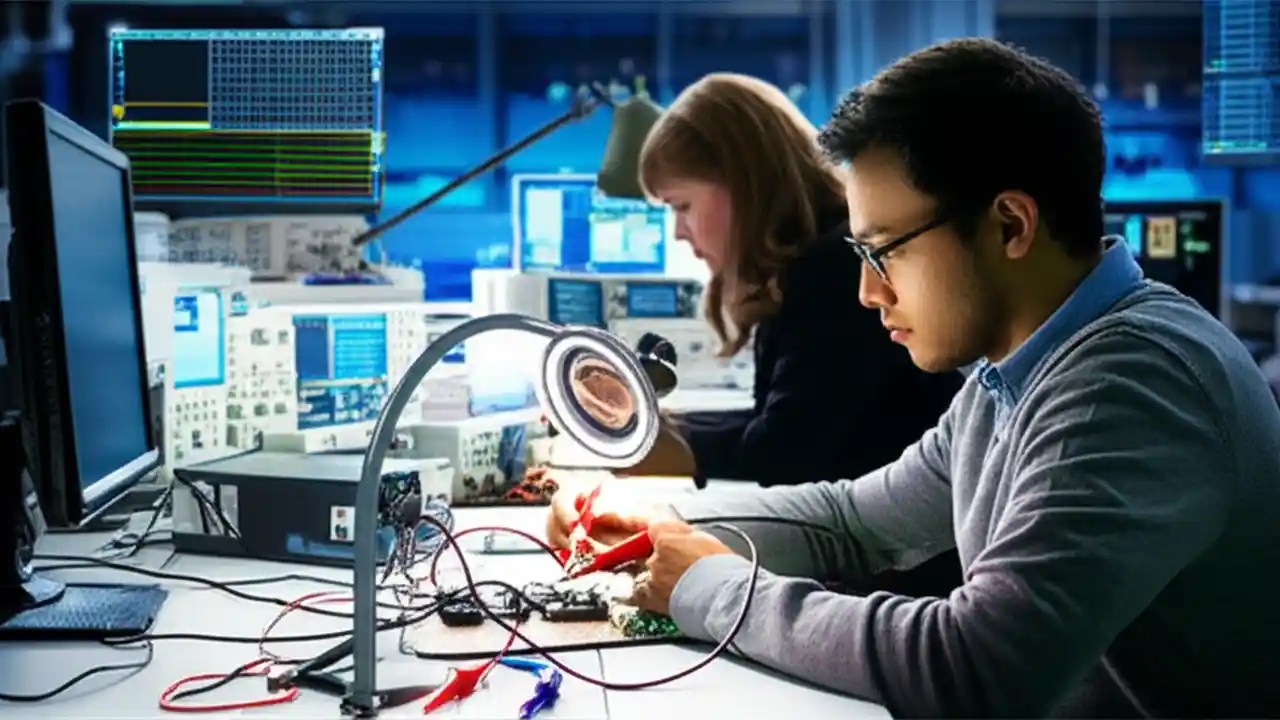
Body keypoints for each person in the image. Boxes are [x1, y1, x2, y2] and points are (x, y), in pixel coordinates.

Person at [547, 39, 1280, 717]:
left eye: (883, 252)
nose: (867, 292)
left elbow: (976, 668)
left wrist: (714, 590)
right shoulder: (1018, 375)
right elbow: (853, 522)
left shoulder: (1129, 383)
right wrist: (664, 533)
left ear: (1010, 227)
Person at [623, 73, 963, 495]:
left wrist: (648, 445)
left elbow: (784, 452)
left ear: (742, 183)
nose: (678, 232)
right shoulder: (800, 264)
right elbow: (774, 418)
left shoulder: (835, 270)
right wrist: (655, 425)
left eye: (682, 206)